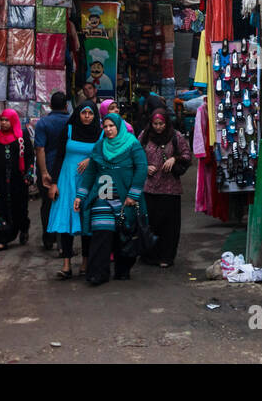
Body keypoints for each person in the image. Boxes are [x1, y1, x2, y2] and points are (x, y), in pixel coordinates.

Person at [73, 111, 147, 285]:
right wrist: (80, 196)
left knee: (124, 234)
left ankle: (122, 270)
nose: (108, 130)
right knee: (101, 234)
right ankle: (97, 274)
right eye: (105, 126)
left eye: (111, 126)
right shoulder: (99, 146)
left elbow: (142, 168)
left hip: (126, 198)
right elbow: (90, 173)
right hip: (103, 196)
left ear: (119, 126)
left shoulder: (132, 144)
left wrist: (133, 195)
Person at [47, 99, 102, 279]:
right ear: (78, 114)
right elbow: (59, 156)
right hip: (67, 180)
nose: (87, 117)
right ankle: (66, 264)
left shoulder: (100, 134)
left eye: (90, 113)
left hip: (89, 182)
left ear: (95, 115)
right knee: (67, 222)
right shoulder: (69, 130)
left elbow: (104, 156)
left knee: (86, 221)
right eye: (84, 113)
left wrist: (91, 159)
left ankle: (85, 262)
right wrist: (53, 183)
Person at [138, 107, 193, 267]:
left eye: (161, 123)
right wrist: (145, 167)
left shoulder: (176, 136)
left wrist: (174, 159)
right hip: (149, 188)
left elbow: (187, 155)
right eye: (155, 123)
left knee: (170, 226)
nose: (158, 127)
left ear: (166, 122)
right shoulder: (145, 135)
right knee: (151, 224)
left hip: (170, 189)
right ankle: (150, 255)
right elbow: (134, 154)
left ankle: (166, 257)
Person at [33, 92, 72, 251]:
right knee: (65, 203)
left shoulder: (43, 123)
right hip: (67, 167)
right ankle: (62, 240)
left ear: (50, 105)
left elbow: (40, 149)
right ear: (66, 106)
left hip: (48, 166)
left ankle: (48, 238)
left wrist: (43, 173)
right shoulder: (71, 122)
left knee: (47, 204)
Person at [0, 108, 32, 250]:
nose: (4, 123)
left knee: (19, 207)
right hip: (0, 180)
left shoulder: (22, 136)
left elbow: (29, 156)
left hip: (18, 180)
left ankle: (23, 228)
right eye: (2, 120)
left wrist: (29, 174)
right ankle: (2, 238)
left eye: (7, 120)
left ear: (13, 120)